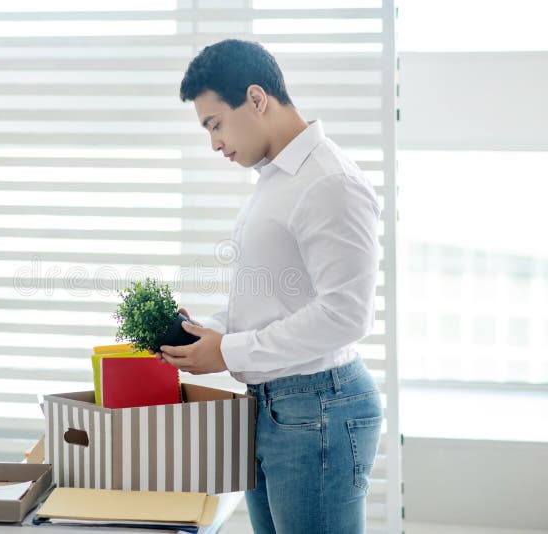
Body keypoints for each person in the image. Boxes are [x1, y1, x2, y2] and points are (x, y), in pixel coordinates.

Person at [153, 39, 384, 533]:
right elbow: (276, 300)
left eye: (215, 123)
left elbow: (346, 314)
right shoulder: (277, 180)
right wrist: (206, 333)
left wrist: (231, 351)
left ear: (256, 99)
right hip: (277, 406)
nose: (214, 143)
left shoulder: (329, 182)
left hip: (318, 407)